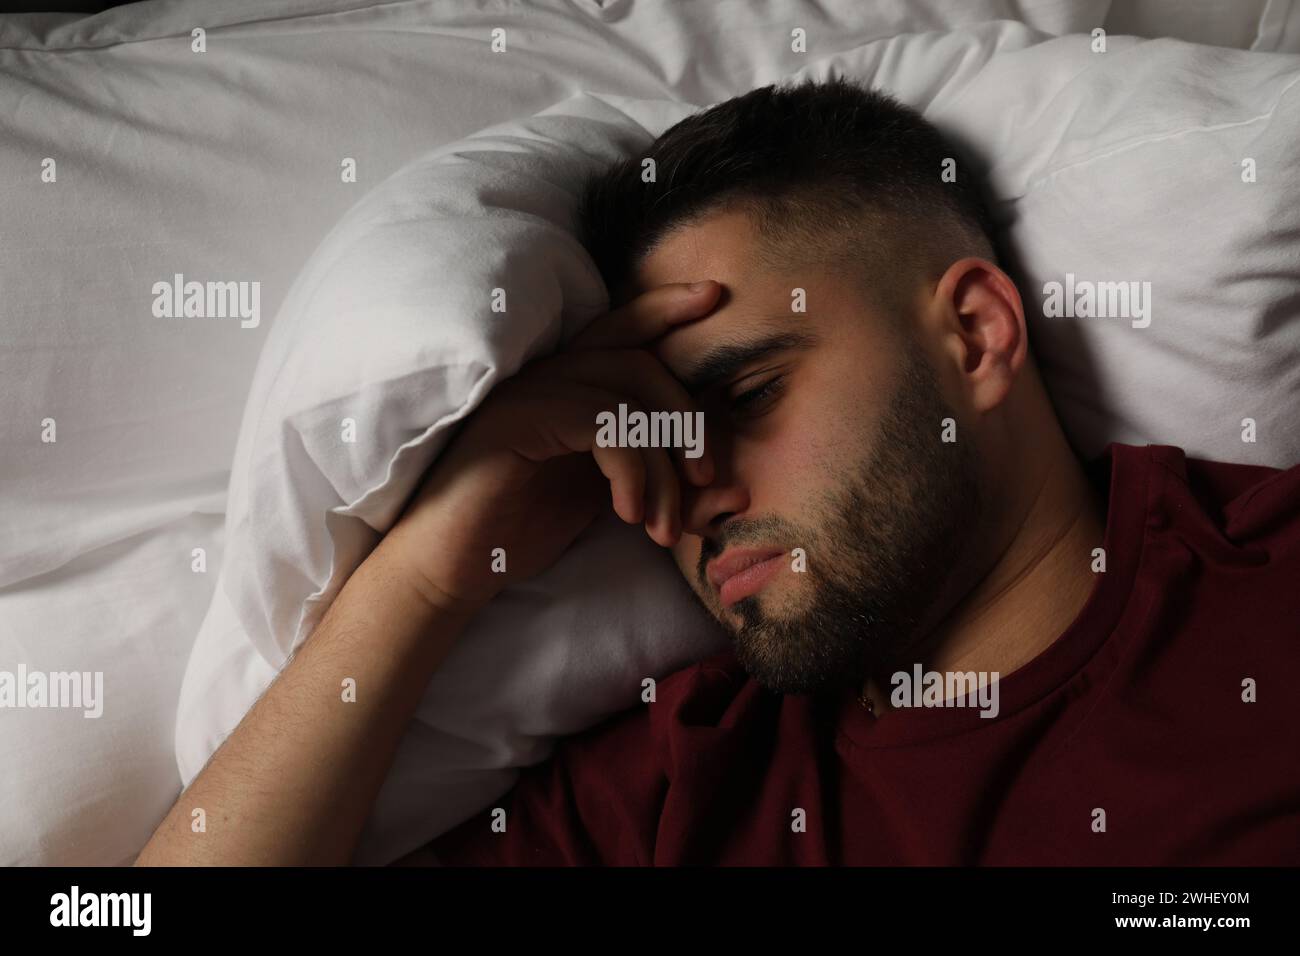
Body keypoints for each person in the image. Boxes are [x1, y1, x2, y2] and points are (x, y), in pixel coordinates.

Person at [136, 77, 1300, 866]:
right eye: (642, 441)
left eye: (741, 398)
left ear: (977, 336)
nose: (690, 492)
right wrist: (435, 569)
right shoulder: (685, 786)